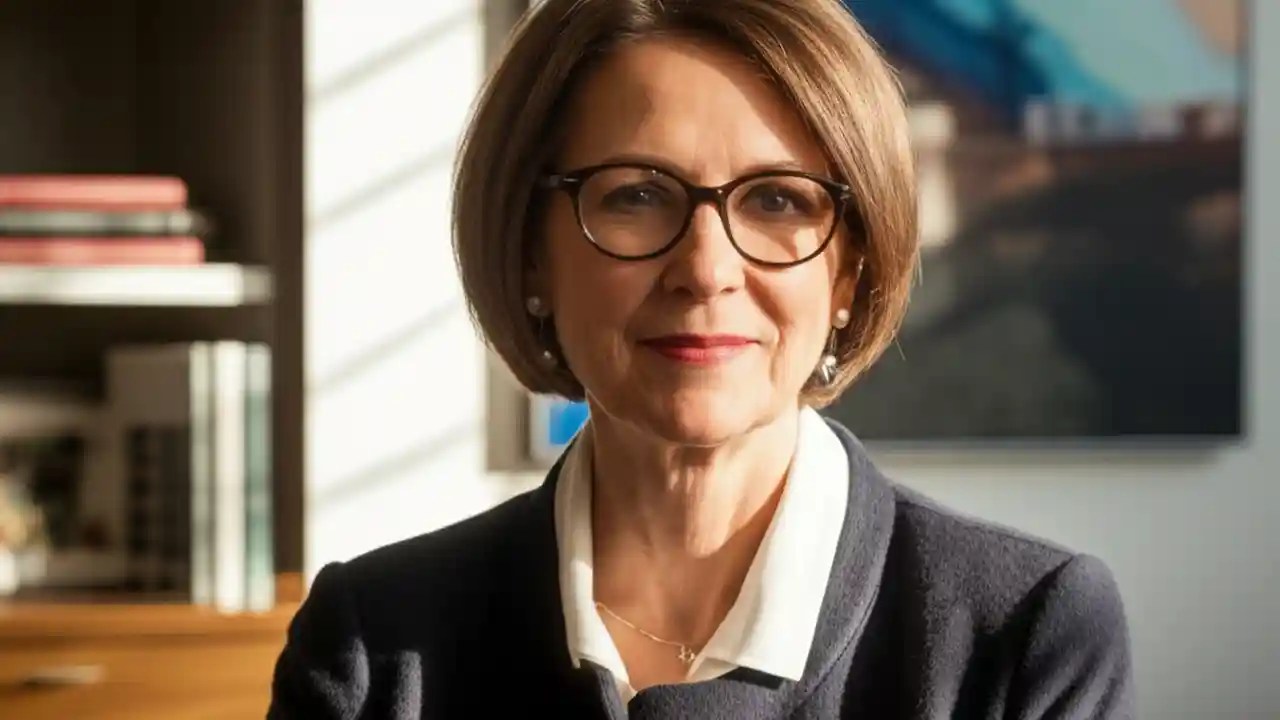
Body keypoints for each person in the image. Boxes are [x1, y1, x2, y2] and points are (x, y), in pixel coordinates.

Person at [268, 0, 1135, 717]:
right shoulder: (374, 645)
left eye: (777, 199)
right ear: (532, 256)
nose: (706, 270)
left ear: (850, 270)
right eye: (638, 195)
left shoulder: (1026, 632)